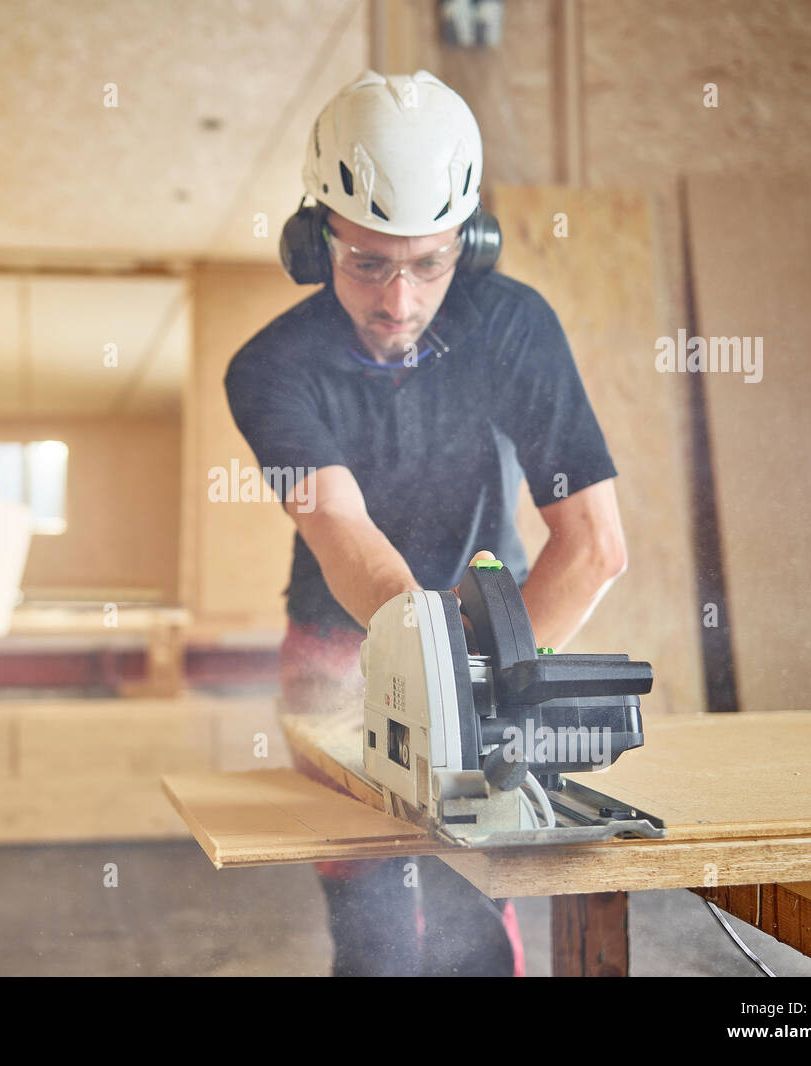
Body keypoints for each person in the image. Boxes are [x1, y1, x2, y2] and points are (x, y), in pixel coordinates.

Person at [224, 71, 628, 976]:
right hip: (339, 643)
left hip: (494, 637)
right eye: (367, 261)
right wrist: (425, 681)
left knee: (475, 898)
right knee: (369, 916)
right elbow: (341, 532)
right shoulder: (270, 367)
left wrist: (479, 688)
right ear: (312, 237)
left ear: (470, 244)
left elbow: (594, 544)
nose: (398, 302)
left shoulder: (514, 327)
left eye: (430, 263)